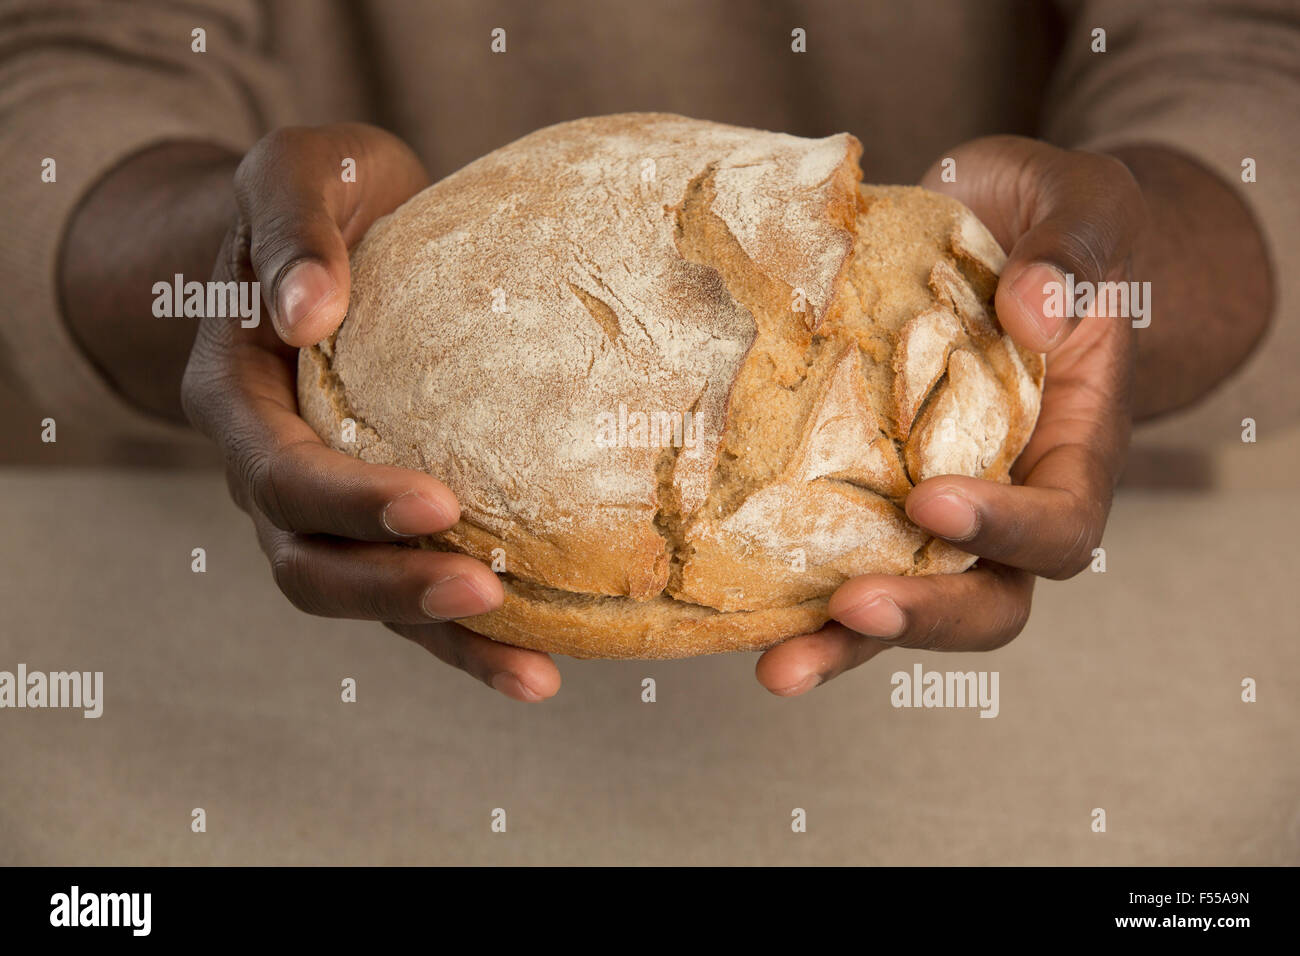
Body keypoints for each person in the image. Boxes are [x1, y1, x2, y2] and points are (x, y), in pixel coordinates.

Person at [2, 1, 1294, 701]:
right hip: (201, 640)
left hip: (1134, 656)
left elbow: (1249, 59)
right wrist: (243, 263)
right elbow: (62, 65)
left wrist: (1093, 291)